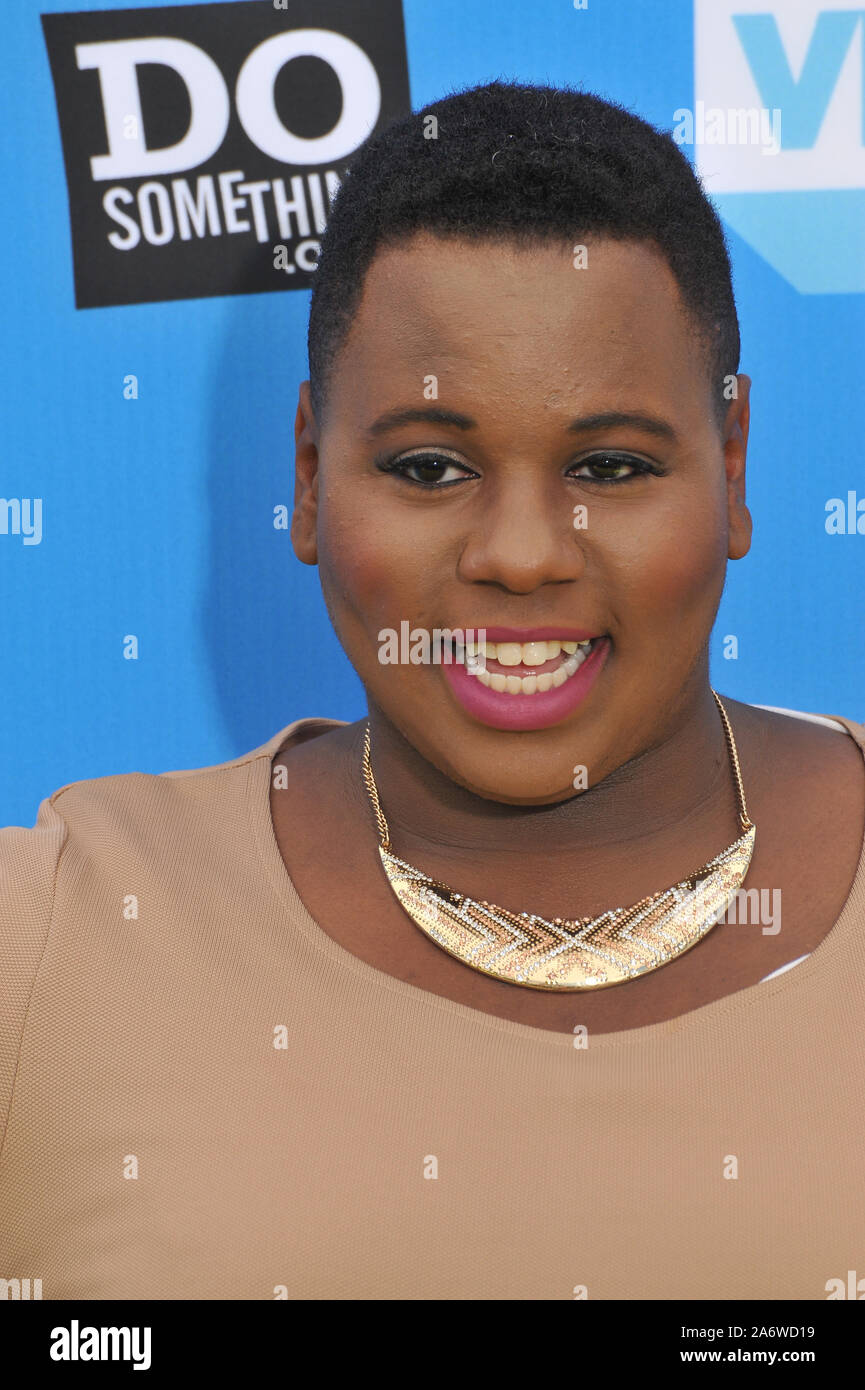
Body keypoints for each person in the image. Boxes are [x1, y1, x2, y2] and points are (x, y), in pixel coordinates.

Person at [1, 81, 863, 1301]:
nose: (521, 553)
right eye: (427, 465)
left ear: (729, 466)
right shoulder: (54, 942)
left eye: (609, 466)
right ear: (307, 476)